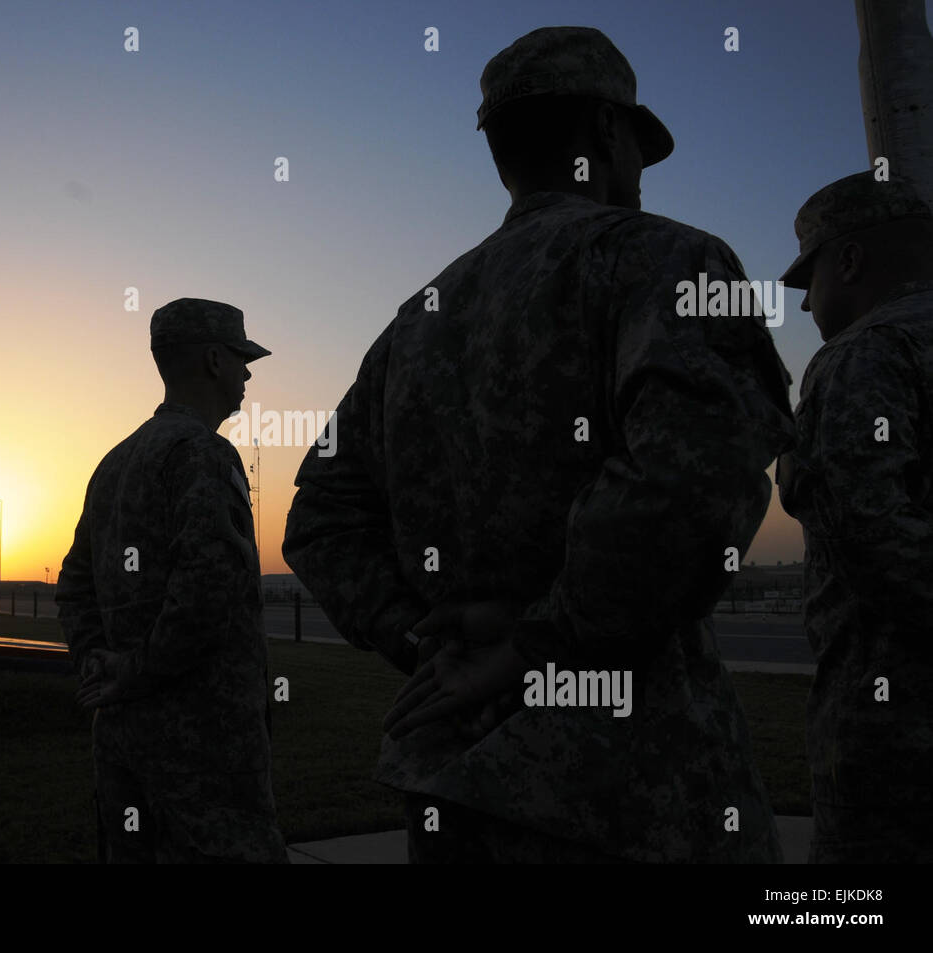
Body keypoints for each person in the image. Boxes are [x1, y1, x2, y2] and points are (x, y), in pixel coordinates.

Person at [282, 26, 796, 863]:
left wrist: (430, 640)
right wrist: (534, 646)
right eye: (636, 142)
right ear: (605, 131)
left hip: (458, 784)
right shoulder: (669, 260)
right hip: (634, 790)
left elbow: (319, 520)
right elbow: (689, 489)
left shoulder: (418, 321)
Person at [55, 297, 288, 864]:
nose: (247, 372)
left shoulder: (114, 463)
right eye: (240, 358)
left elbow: (73, 581)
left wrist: (96, 663)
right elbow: (208, 593)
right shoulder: (202, 454)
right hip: (204, 747)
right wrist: (134, 672)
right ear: (214, 360)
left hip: (123, 742)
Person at [776, 172, 933, 863]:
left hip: (897, 733)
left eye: (810, 275)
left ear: (849, 260)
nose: (807, 301)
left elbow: (872, 536)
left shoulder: (863, 355)